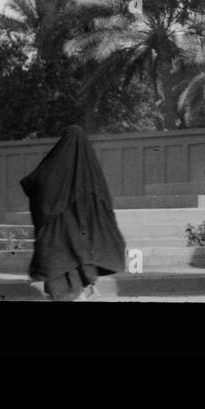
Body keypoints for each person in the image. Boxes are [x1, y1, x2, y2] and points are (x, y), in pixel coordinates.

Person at [20, 126, 127, 301]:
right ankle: (79, 292)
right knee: (78, 258)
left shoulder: (55, 166)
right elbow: (103, 203)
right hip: (80, 233)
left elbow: (35, 182)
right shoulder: (92, 173)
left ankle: (70, 294)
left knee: (62, 263)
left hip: (59, 232)